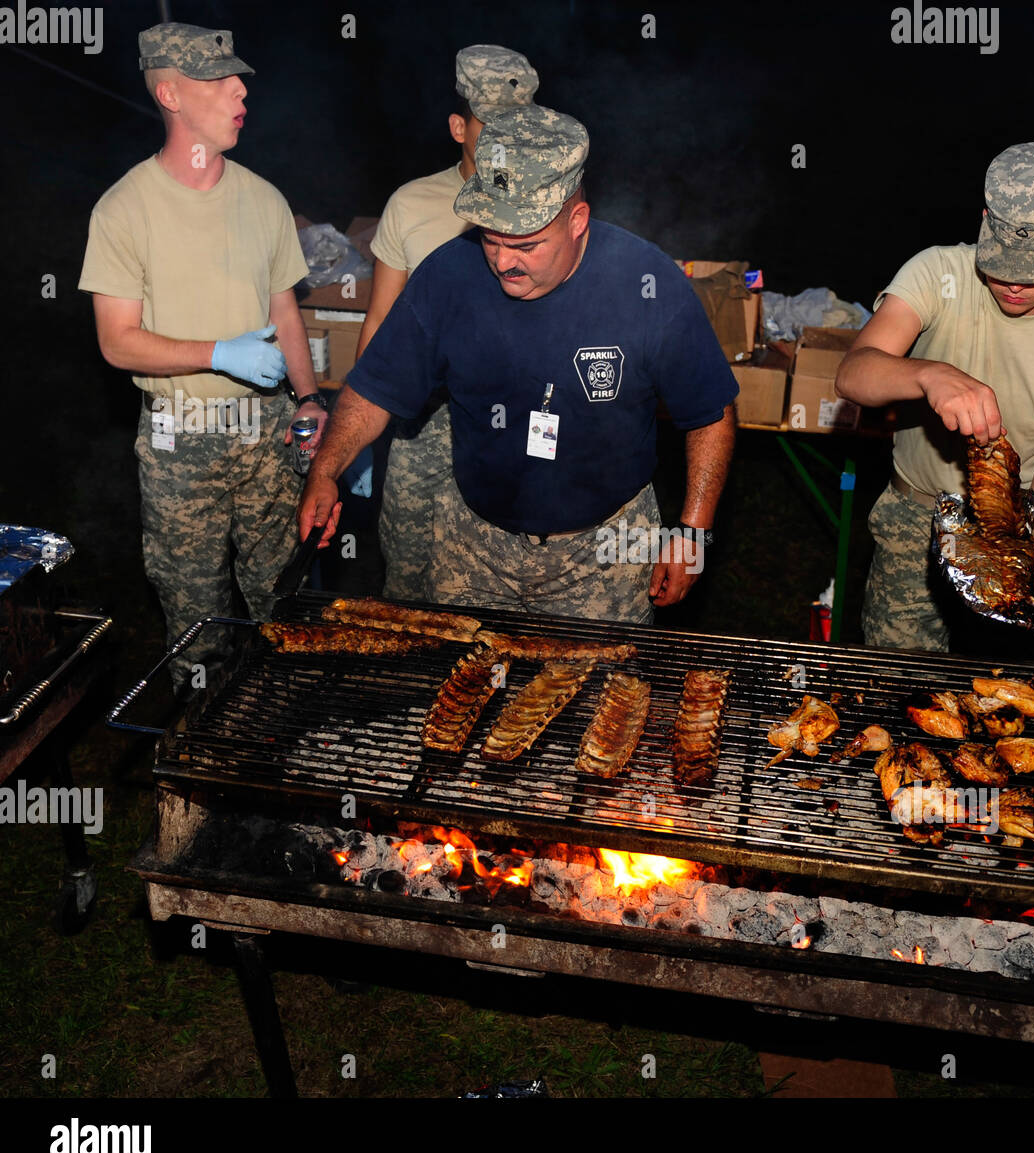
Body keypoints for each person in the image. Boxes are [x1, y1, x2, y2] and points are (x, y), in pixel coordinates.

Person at [300, 105, 737, 622]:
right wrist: (326, 470)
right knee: (460, 693)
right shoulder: (448, 277)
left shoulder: (648, 284)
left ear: (577, 222)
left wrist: (692, 532)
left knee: (596, 699)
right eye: (491, 237)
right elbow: (373, 388)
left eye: (526, 245)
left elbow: (710, 413)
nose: (504, 261)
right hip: (473, 546)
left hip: (607, 552)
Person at [78, 23, 325, 685]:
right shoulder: (124, 210)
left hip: (269, 429)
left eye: (239, 76)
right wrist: (217, 352)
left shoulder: (263, 198)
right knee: (193, 606)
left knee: (283, 594)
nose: (241, 88)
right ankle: (201, 752)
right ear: (170, 93)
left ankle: (282, 722)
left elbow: (284, 311)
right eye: (218, 79)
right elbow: (116, 340)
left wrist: (308, 401)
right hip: (178, 434)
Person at [835, 141, 1034, 664]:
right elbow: (853, 375)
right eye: (1001, 261)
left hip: (1017, 525)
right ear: (983, 225)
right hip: (914, 513)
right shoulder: (937, 274)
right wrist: (929, 374)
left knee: (1030, 705)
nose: (1014, 281)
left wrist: (1015, 558)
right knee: (901, 691)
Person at [361, 44, 539, 601]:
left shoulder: (545, 205)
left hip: (511, 420)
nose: (506, 140)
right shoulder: (412, 204)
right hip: (423, 423)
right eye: (491, 126)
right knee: (409, 585)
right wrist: (363, 431)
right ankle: (411, 688)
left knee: (498, 586)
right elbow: (381, 324)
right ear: (459, 126)